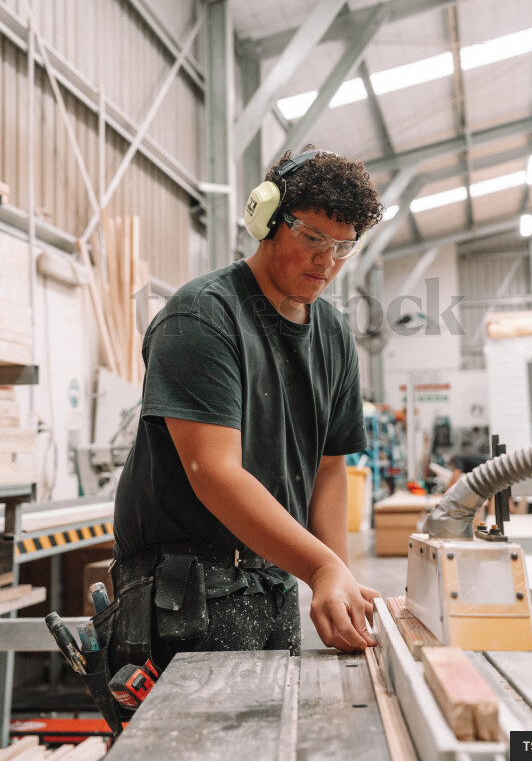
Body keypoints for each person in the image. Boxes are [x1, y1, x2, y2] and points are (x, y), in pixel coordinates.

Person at [108, 147, 384, 679]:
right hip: (184, 593)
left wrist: (337, 579)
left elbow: (330, 469)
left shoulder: (334, 335)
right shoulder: (201, 317)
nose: (327, 261)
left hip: (272, 580)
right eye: (312, 238)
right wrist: (321, 565)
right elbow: (213, 471)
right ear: (267, 219)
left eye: (343, 246)